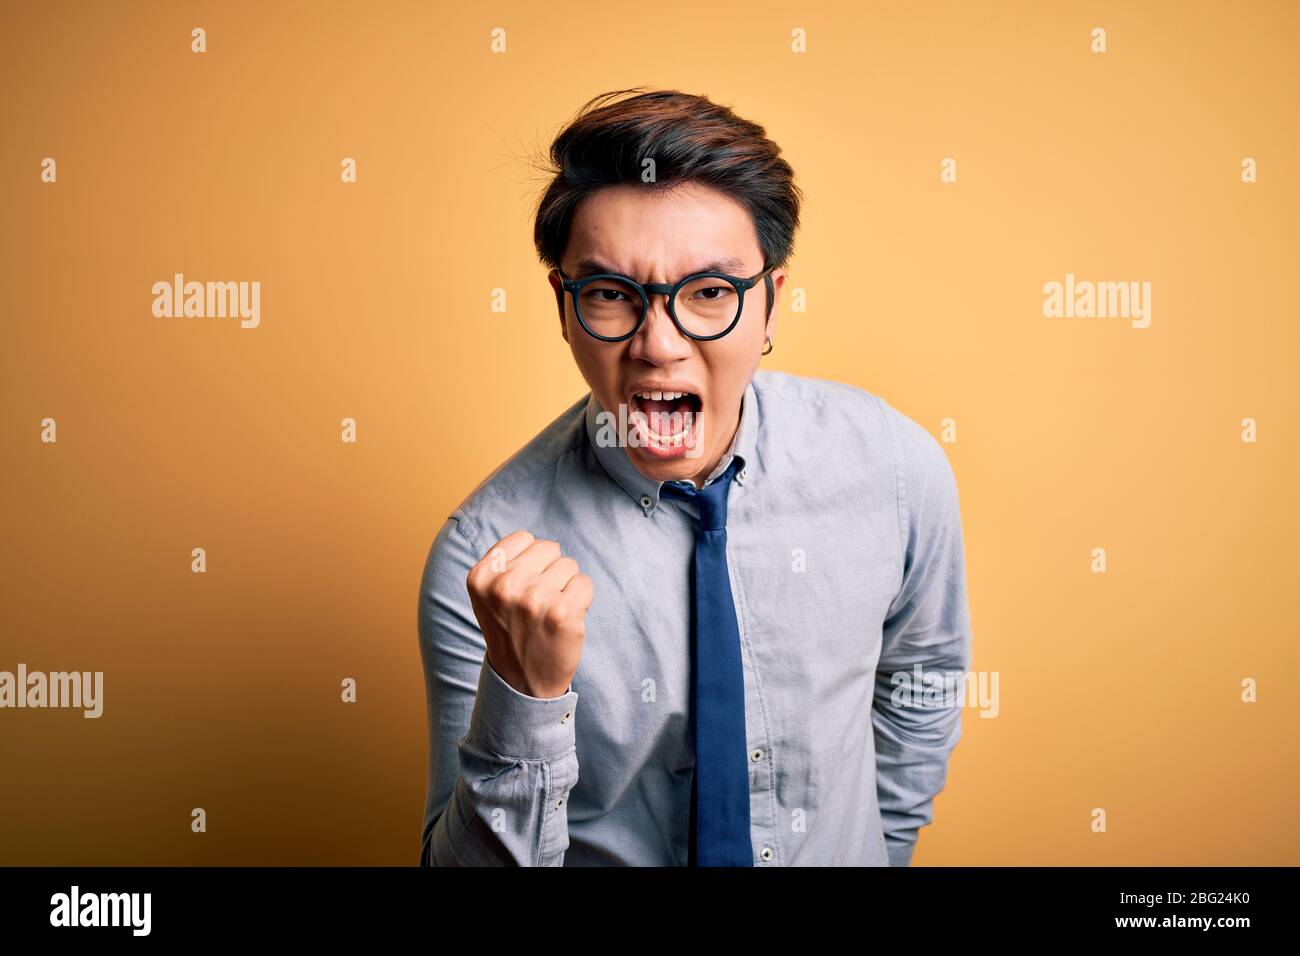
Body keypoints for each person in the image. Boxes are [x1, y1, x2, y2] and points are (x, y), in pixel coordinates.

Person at [418, 88, 972, 866]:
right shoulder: (484, 561)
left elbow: (923, 685)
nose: (659, 344)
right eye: (611, 295)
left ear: (771, 303)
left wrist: (882, 847)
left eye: (709, 293)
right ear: (564, 307)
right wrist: (524, 699)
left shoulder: (895, 471)